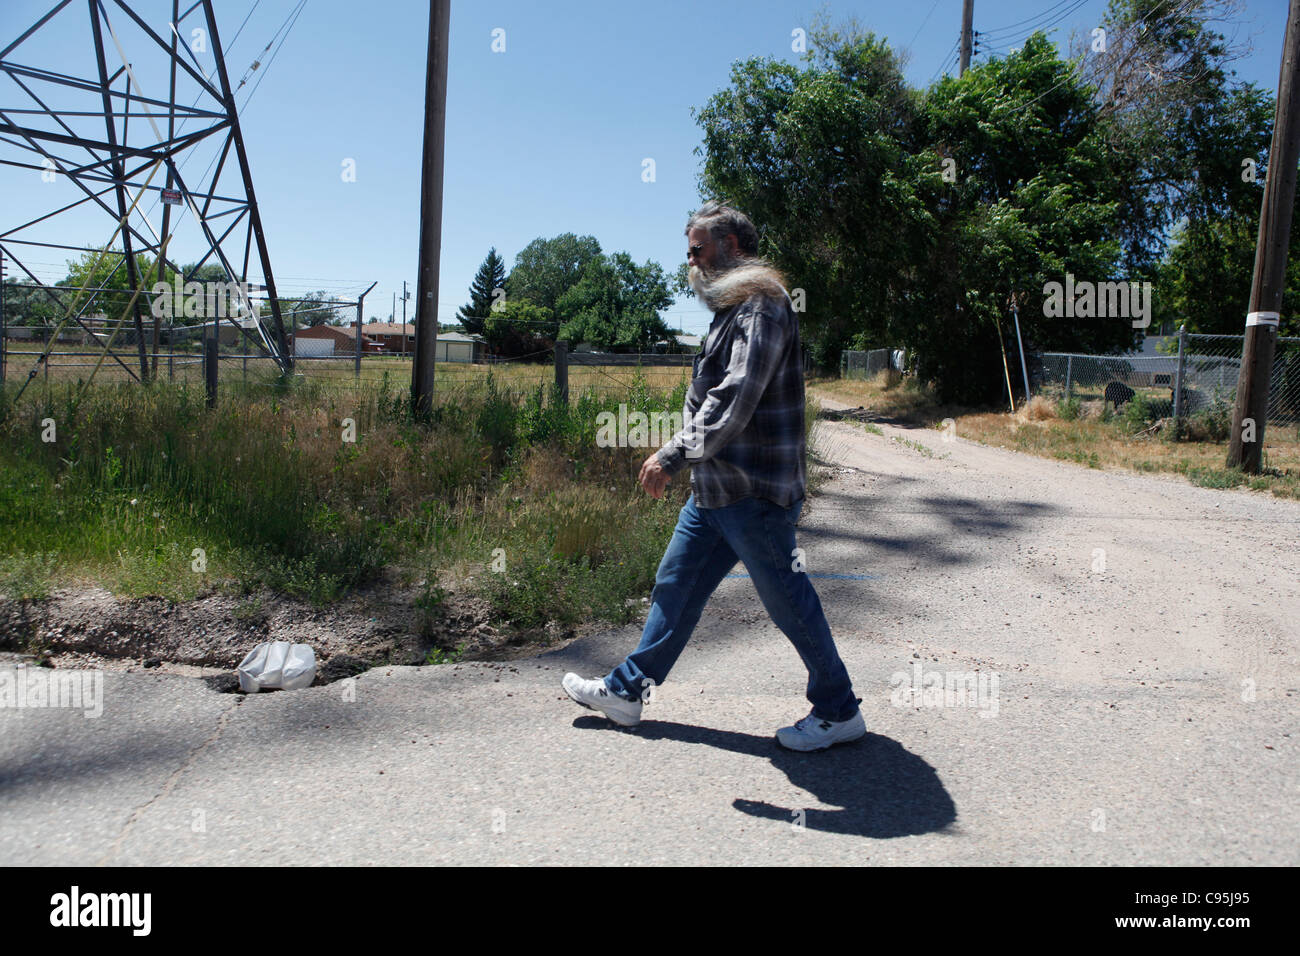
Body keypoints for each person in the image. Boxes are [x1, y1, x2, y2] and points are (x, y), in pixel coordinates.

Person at [563, 201, 864, 752]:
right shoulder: (732, 311)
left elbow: (735, 398)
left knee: (787, 602)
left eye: (698, 249)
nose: (691, 260)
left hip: (752, 491)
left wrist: (673, 455)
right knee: (674, 588)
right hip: (715, 492)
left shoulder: (761, 306)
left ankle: (839, 710)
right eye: (689, 251)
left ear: (731, 247)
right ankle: (628, 693)